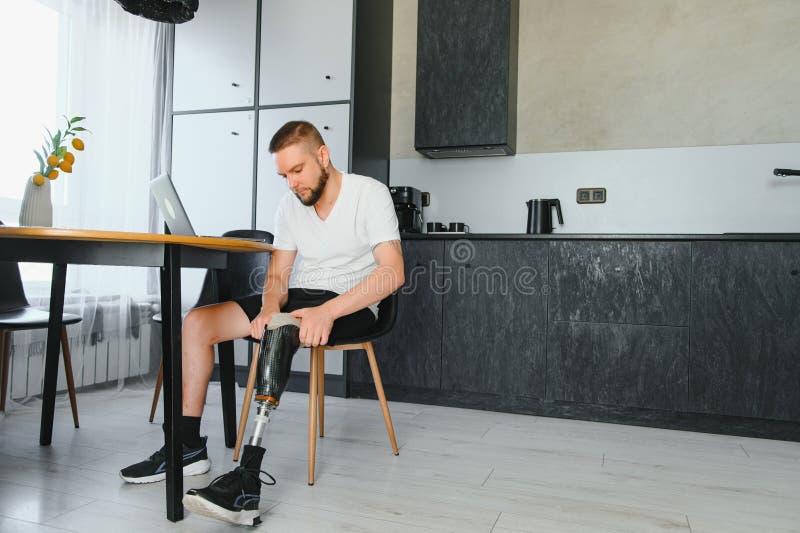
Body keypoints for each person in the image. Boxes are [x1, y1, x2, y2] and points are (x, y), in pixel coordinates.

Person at [119, 121, 404, 526]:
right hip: (302, 296)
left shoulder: (368, 193)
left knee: (282, 327)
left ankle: (246, 482)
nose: (292, 183)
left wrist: (326, 311)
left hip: (352, 304)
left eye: (298, 170)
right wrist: (269, 306)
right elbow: (278, 276)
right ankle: (187, 447)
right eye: (284, 175)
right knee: (197, 323)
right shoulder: (291, 205)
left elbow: (392, 272)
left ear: (323, 156)